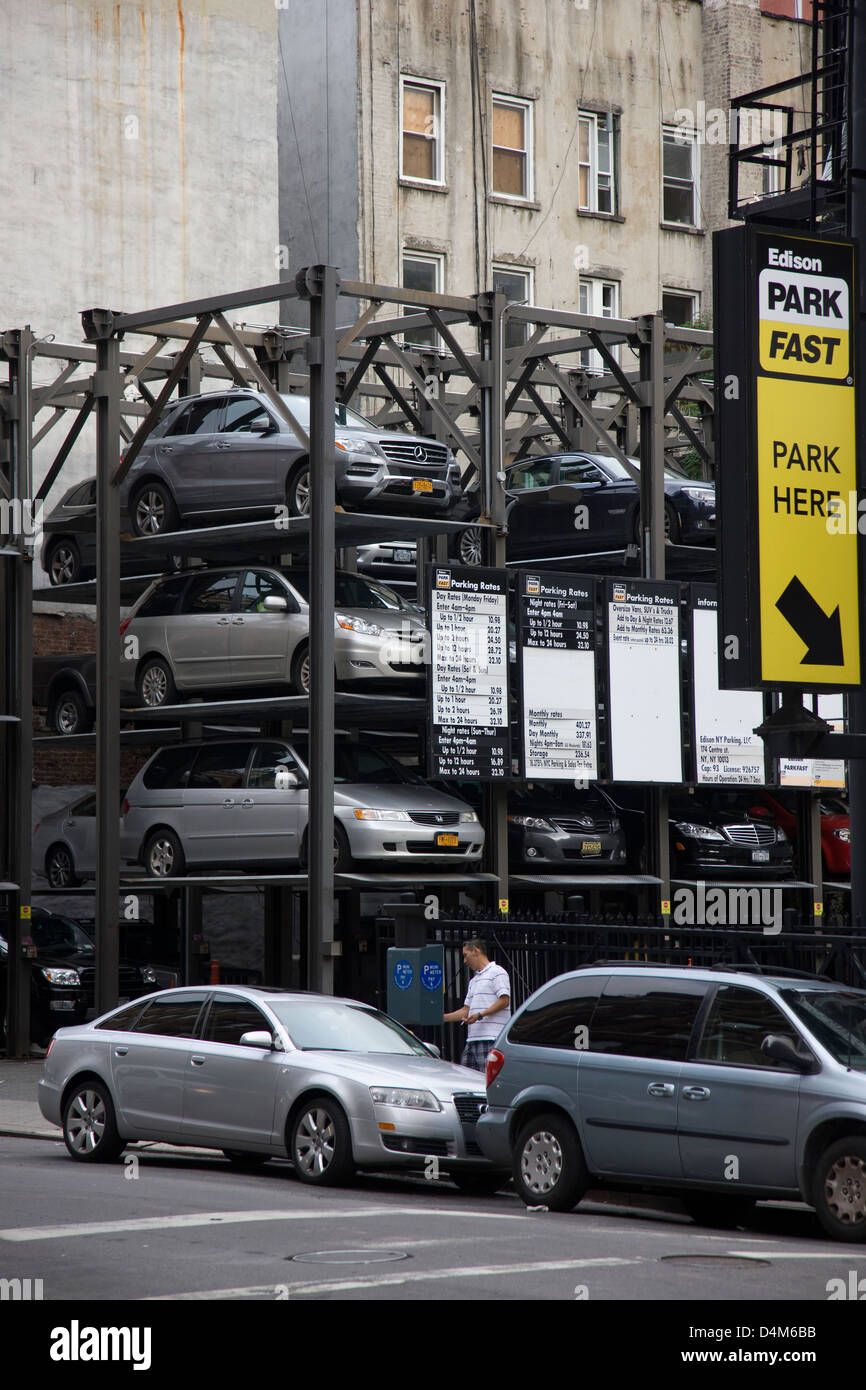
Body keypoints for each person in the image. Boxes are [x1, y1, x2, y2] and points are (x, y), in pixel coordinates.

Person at [443, 938, 511, 1071]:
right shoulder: (474, 980)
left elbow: (504, 1000)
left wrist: (480, 1015)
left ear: (475, 951)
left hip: (491, 1038)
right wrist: (442, 1018)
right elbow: (465, 1011)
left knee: (487, 1082)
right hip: (472, 1040)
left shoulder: (497, 972)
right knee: (468, 1083)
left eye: (465, 955)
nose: (464, 960)